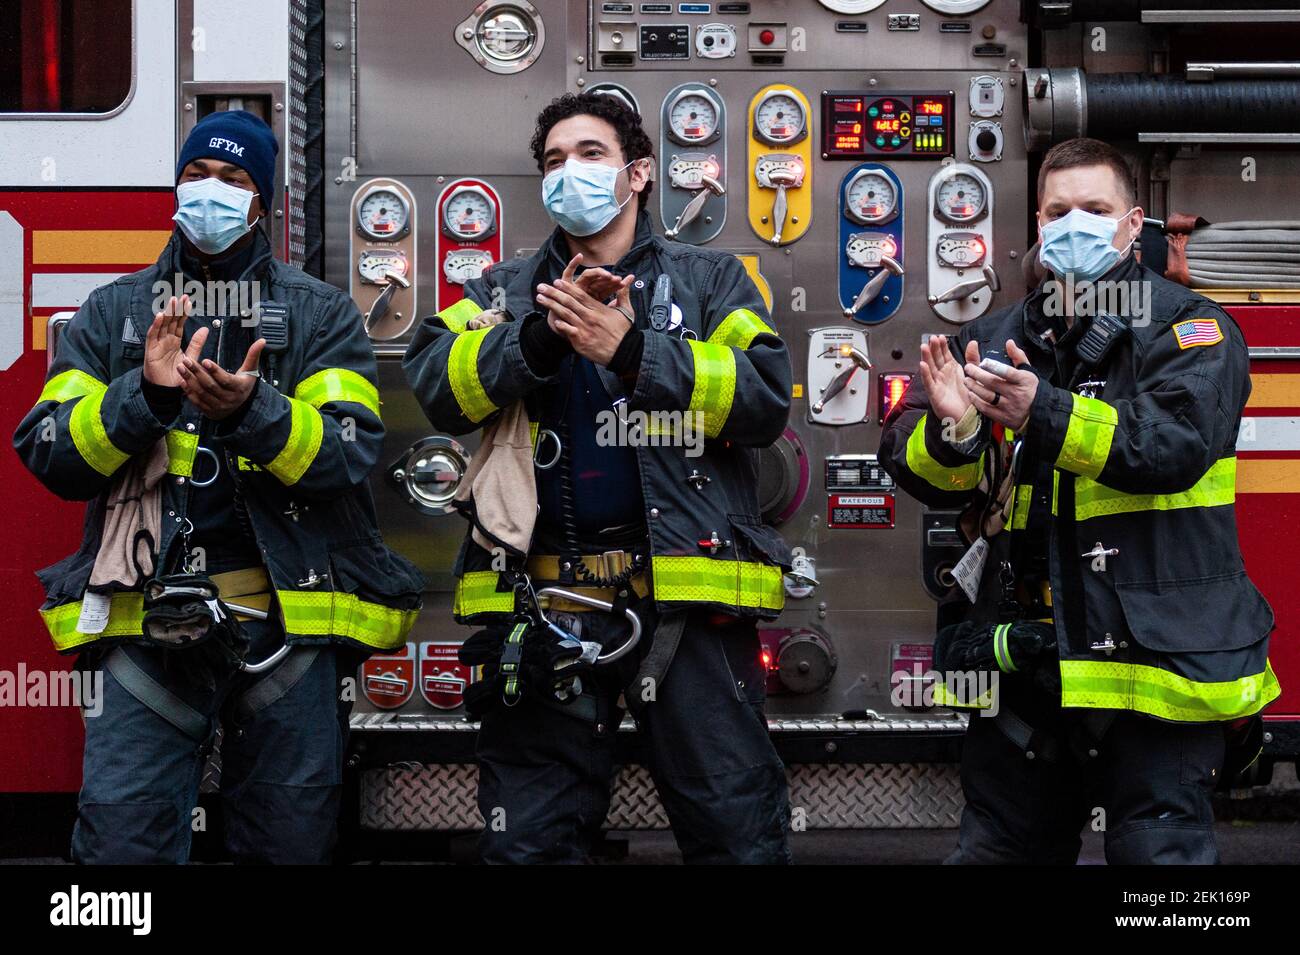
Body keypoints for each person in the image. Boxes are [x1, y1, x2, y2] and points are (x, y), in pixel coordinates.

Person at [13, 109, 423, 864]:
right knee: (119, 855)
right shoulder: (113, 313)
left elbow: (346, 451)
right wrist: (147, 397)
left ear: (262, 201)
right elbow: (48, 452)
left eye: (233, 180)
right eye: (197, 174)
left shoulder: (320, 313)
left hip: (283, 637)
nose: (211, 191)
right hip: (141, 634)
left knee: (289, 846)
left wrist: (252, 411)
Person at [404, 92, 794, 863]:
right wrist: (540, 340)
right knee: (530, 846)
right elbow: (435, 384)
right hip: (540, 609)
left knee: (736, 834)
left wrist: (633, 351)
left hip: (685, 611)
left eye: (590, 156)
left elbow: (765, 397)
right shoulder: (502, 291)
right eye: (553, 161)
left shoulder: (714, 281)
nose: (568, 172)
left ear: (639, 174)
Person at [879, 137, 1277, 864]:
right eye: (1059, 210)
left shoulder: (1193, 330)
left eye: (1095, 209)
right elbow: (912, 463)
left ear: (1133, 226)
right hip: (1025, 668)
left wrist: (1045, 413)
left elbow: (1175, 445)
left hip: (1156, 671)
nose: (1074, 224)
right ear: (1037, 224)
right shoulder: (993, 337)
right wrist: (954, 431)